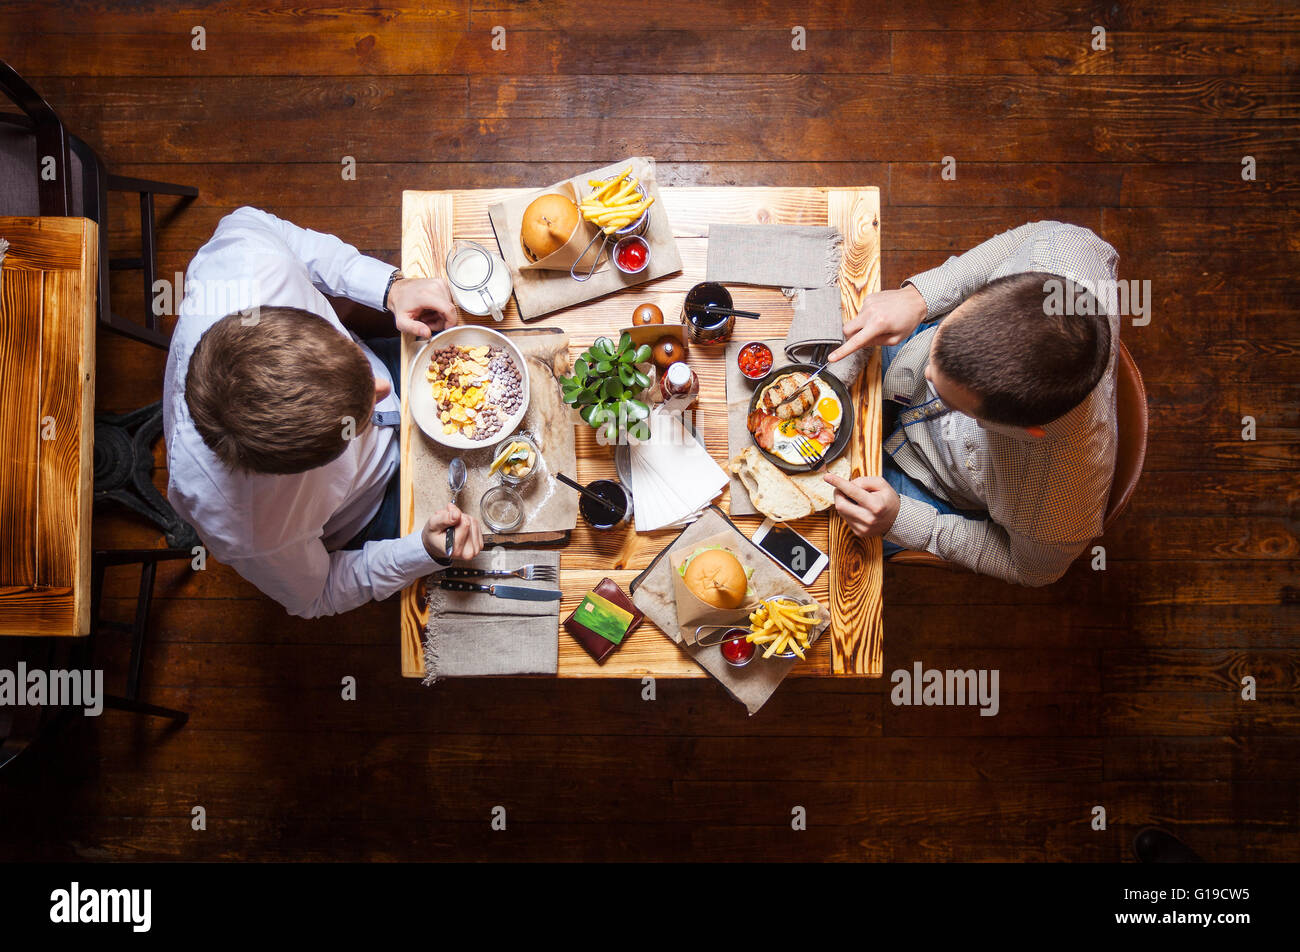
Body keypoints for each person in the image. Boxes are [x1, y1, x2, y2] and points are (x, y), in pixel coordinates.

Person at [163, 206, 485, 618]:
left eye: (352, 358)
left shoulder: (246, 265)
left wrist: (390, 287)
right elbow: (319, 594)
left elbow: (272, 229)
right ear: (295, 468)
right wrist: (419, 550)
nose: (386, 391)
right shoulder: (249, 527)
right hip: (375, 507)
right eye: (360, 415)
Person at [823, 221, 1120, 586]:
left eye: (948, 394)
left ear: (1027, 431)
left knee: (826, 535)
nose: (928, 375)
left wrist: (902, 520)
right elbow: (1028, 237)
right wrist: (920, 300)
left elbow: (1032, 570)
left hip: (928, 482)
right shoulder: (1066, 250)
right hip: (912, 354)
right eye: (938, 356)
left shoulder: (1054, 506)